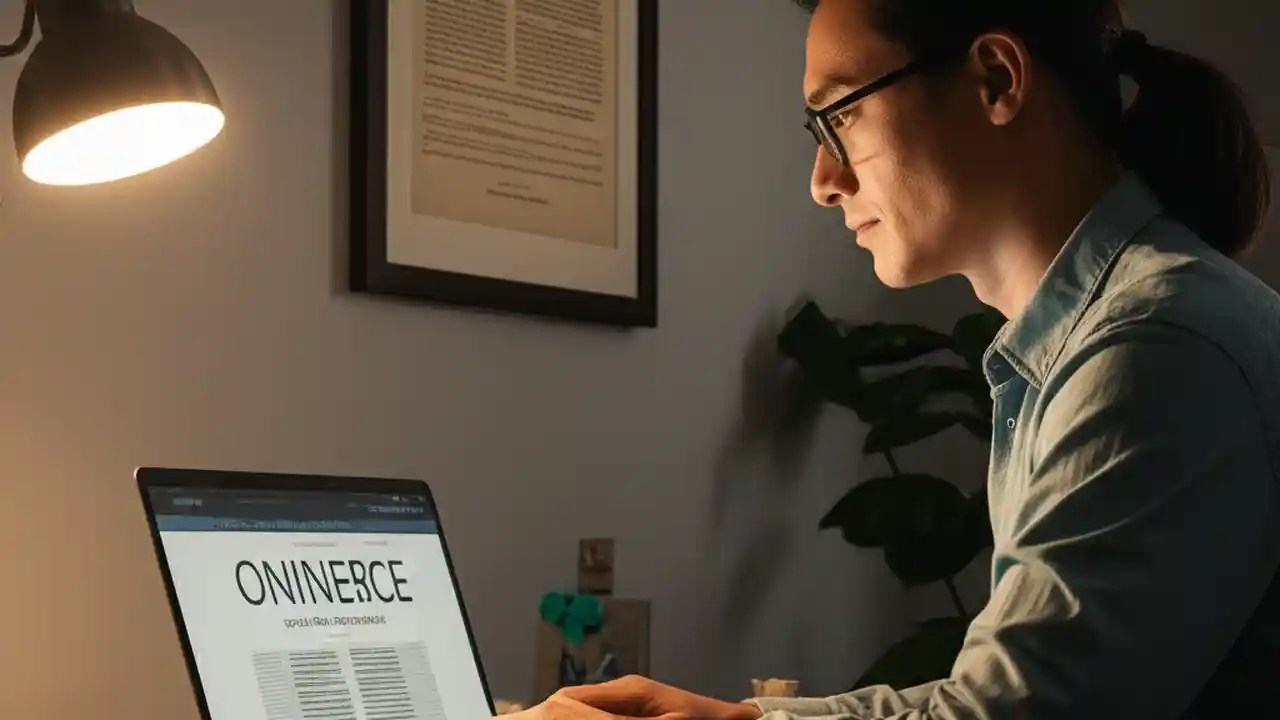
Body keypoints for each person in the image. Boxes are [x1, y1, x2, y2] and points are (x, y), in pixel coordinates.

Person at [507, 0, 1279, 717]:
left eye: (841, 114)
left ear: (996, 80)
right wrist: (739, 716)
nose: (823, 181)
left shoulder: (1151, 347)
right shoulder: (1117, 332)